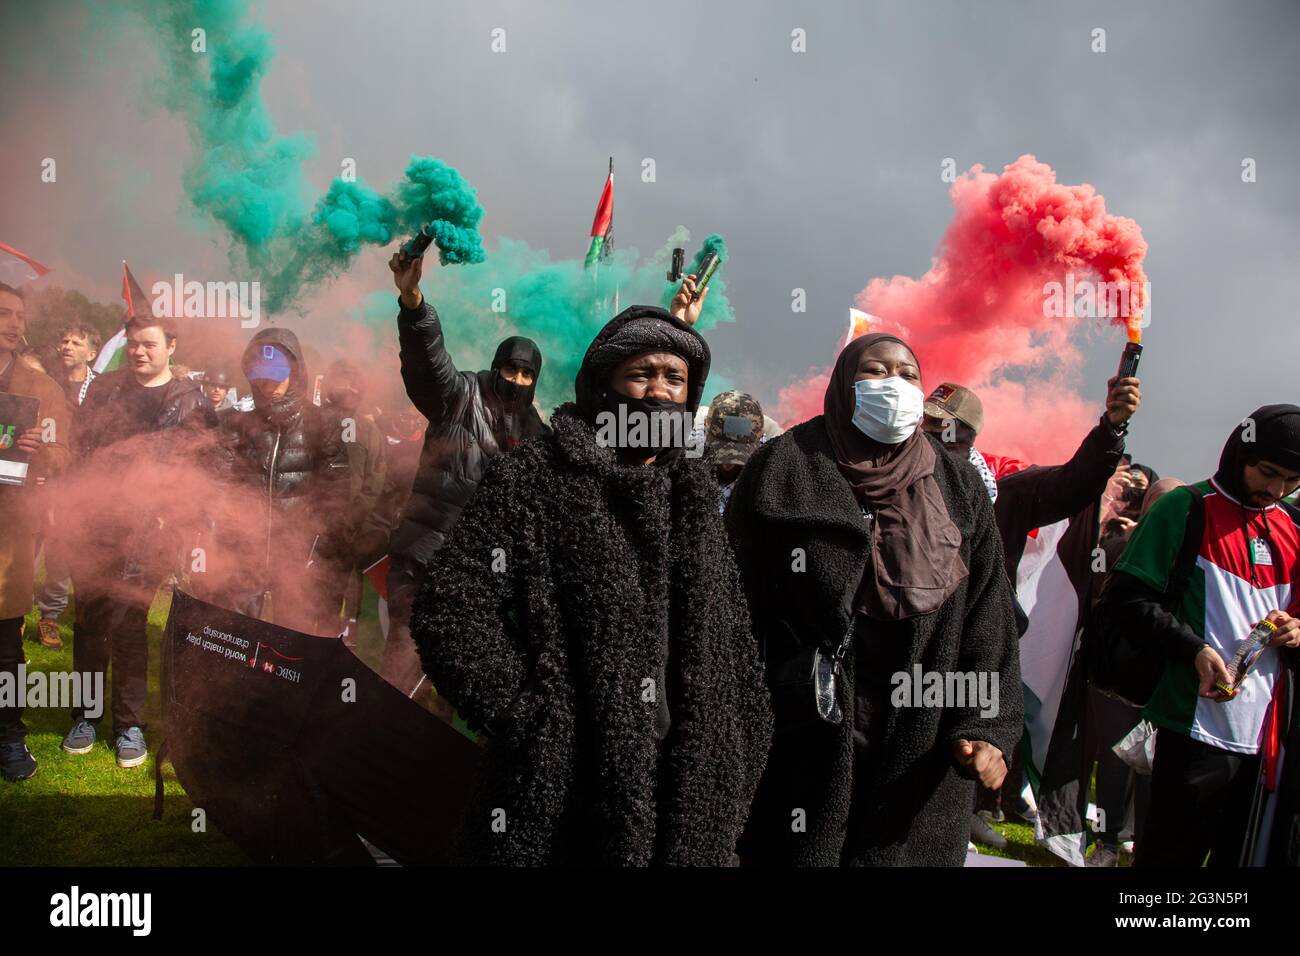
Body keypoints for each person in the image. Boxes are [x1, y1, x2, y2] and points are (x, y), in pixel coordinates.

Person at [410, 304, 772, 865]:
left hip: (683, 788)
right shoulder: (538, 475)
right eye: (641, 374)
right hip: (562, 787)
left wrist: (742, 734)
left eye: (674, 377)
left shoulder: (693, 493)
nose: (658, 392)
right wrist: (530, 718)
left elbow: (732, 638)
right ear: (603, 386)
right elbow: (453, 602)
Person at [727, 333, 1021, 865]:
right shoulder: (782, 467)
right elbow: (732, 610)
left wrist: (985, 726)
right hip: (802, 733)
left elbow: (989, 614)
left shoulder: (958, 484)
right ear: (844, 385)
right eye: (876, 372)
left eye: (908, 375)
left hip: (922, 742)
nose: (895, 386)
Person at [922, 376, 1140, 852]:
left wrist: (1111, 428)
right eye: (923, 419)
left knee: (965, 734)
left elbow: (1075, 482)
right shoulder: (895, 479)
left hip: (969, 642)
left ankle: (960, 819)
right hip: (911, 641)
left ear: (965, 435)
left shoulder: (1006, 495)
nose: (926, 429)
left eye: (940, 425)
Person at [1099, 405, 1300, 867]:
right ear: (1239, 452)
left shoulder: (1292, 527)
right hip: (1191, 723)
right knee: (1171, 860)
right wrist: (1193, 650)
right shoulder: (1185, 506)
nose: (1276, 489)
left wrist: (1295, 631)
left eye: (1291, 480)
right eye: (1267, 472)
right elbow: (1124, 600)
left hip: (1268, 740)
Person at [378, 252, 546, 710]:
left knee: (457, 682)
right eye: (510, 368)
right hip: (425, 557)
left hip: (482, 575)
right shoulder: (460, 394)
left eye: (527, 373)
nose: (516, 378)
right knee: (404, 667)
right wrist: (413, 302)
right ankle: (378, 754)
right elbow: (427, 362)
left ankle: (433, 767)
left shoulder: (535, 433)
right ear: (496, 366)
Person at [61, 313, 215, 768]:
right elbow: (81, 447)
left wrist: (182, 519)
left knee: (130, 625)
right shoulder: (106, 390)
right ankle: (84, 716)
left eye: (149, 343)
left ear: (171, 345)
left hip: (150, 534)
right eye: (133, 344)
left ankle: (129, 725)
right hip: (96, 525)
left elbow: (205, 466)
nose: (139, 352)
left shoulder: (191, 400)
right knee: (89, 622)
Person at [212, 329, 351, 636]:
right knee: (237, 643)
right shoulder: (236, 425)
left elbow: (336, 497)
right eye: (260, 376)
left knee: (291, 646)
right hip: (245, 555)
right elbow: (218, 488)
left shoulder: (323, 424)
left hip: (296, 558)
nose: (266, 385)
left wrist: (314, 551)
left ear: (296, 374)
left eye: (275, 376)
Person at [0, 282, 73, 781]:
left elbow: (63, 451)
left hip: (8, 530)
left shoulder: (39, 385)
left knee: (4, 642)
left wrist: (38, 451)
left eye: (19, 316)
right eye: (3, 313)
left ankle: (8, 735)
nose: (13, 323)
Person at [32, 325, 103, 650]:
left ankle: (49, 617)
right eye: (64, 340)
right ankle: (13, 612)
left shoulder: (101, 389)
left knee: (60, 552)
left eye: (77, 342)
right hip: (38, 477)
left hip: (75, 483)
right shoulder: (46, 382)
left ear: (91, 353)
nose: (68, 346)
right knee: (26, 546)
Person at [320, 358, 387, 640]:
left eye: (352, 384)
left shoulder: (370, 431)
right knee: (311, 595)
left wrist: (354, 518)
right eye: (341, 382)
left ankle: (340, 642)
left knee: (348, 594)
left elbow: (376, 480)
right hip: (315, 528)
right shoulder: (314, 421)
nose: (347, 389)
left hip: (353, 530)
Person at [703, 390, 766, 514]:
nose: (728, 466)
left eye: (739, 458)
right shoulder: (689, 453)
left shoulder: (767, 471)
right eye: (721, 455)